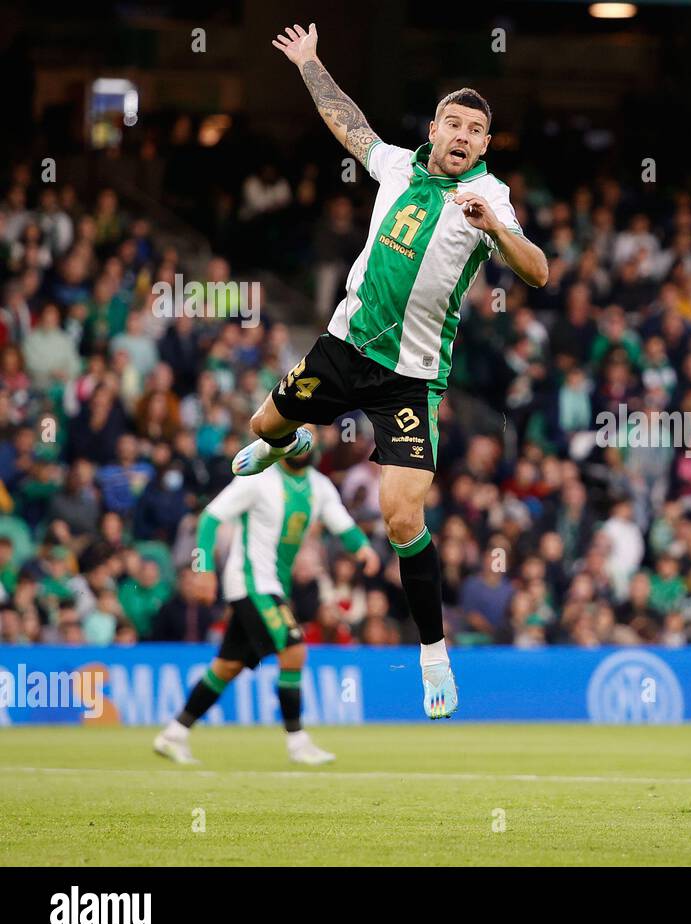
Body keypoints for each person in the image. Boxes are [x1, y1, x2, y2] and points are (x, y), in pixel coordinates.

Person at [229, 23, 548, 720]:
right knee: (261, 426)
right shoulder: (398, 166)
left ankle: (434, 656)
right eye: (453, 122)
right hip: (344, 349)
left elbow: (540, 270)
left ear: (485, 146)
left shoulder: (491, 198)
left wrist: (494, 227)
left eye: (475, 129)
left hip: (411, 379)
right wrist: (311, 62)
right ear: (434, 129)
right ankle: (289, 443)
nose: (462, 135)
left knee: (403, 515)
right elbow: (348, 122)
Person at [153, 431, 380, 765]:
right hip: (250, 581)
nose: (304, 442)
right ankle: (297, 742)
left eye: (309, 435)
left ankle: (173, 734)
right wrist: (202, 569)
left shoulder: (319, 486)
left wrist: (362, 549)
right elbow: (210, 517)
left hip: (273, 584)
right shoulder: (257, 479)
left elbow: (342, 525)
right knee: (294, 649)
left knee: (227, 666)